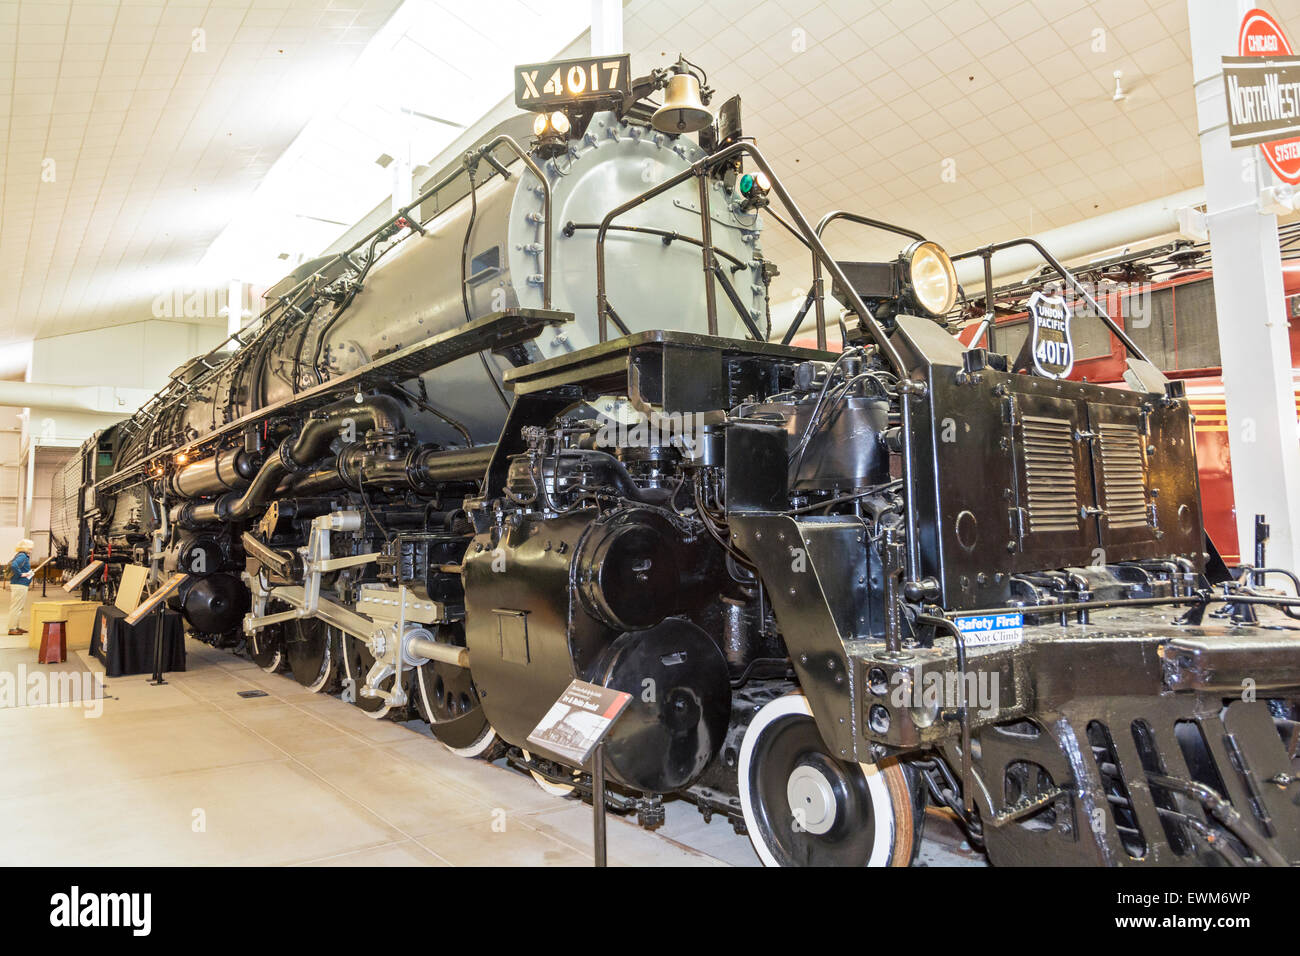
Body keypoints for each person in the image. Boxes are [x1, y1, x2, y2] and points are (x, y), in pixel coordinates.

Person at [7, 539, 34, 635]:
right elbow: (14, 565)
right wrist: (21, 574)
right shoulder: (22, 556)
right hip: (19, 584)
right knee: (16, 607)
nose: (32, 548)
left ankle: (16, 626)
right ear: (25, 547)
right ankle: (12, 628)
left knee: (19, 607)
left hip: (20, 584)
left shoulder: (21, 555)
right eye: (30, 546)